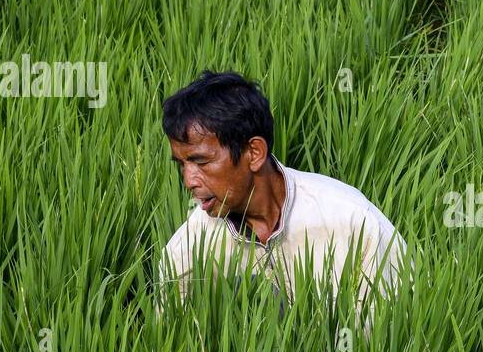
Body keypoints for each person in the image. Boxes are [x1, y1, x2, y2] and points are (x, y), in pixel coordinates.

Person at [157, 70, 406, 324]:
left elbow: (397, 334)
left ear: (254, 153)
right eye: (182, 164)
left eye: (201, 161)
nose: (189, 180)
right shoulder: (187, 251)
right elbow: (173, 344)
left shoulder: (353, 222)